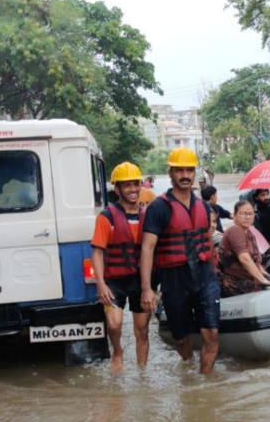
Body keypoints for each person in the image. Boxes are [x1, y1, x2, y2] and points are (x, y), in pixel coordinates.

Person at [139, 147, 220, 374]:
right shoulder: (159, 208)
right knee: (181, 339)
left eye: (189, 170)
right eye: (179, 170)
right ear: (171, 173)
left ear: (194, 173)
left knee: (212, 334)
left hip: (204, 276)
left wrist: (214, 274)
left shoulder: (204, 207)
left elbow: (208, 241)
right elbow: (147, 248)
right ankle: (188, 368)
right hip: (175, 279)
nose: (185, 175)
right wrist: (147, 289)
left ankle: (204, 388)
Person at [90, 162, 152, 369]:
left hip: (140, 280)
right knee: (115, 324)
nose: (133, 189)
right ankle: (117, 351)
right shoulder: (106, 217)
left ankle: (142, 373)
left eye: (136, 184)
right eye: (127, 185)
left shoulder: (148, 215)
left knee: (142, 330)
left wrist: (150, 287)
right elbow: (97, 252)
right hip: (114, 281)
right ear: (117, 189)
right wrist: (100, 284)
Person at [218, 200, 270, 297]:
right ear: (235, 215)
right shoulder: (235, 230)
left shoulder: (250, 234)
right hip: (236, 285)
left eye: (250, 213)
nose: (247, 217)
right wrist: (265, 282)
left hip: (251, 281)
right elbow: (244, 259)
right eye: (243, 213)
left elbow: (256, 265)